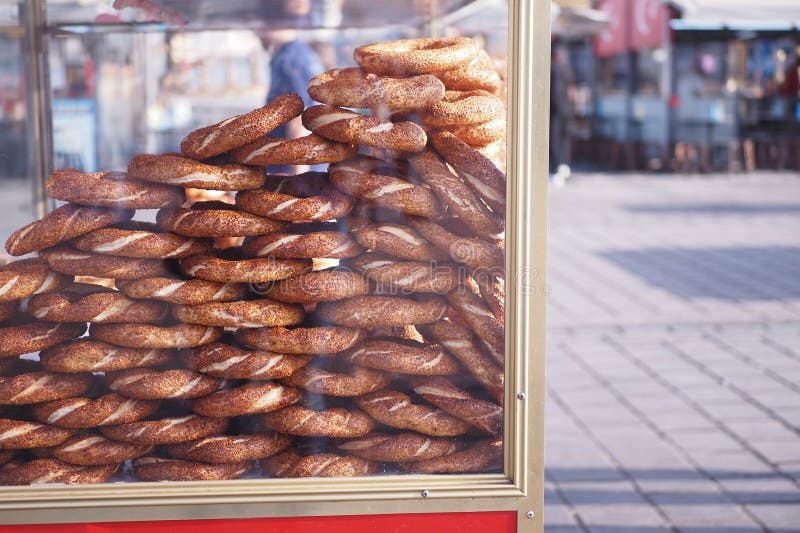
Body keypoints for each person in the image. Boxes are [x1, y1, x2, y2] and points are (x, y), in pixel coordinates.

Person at [260, 0, 325, 173]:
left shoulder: (291, 59)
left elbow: (301, 120)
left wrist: (297, 178)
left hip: (299, 171)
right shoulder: (287, 55)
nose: (257, 31)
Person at [549, 42, 572, 186]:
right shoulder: (566, 69)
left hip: (555, 110)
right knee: (564, 138)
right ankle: (564, 164)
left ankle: (557, 167)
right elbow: (570, 90)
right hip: (566, 109)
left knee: (554, 139)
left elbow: (556, 92)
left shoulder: (553, 69)